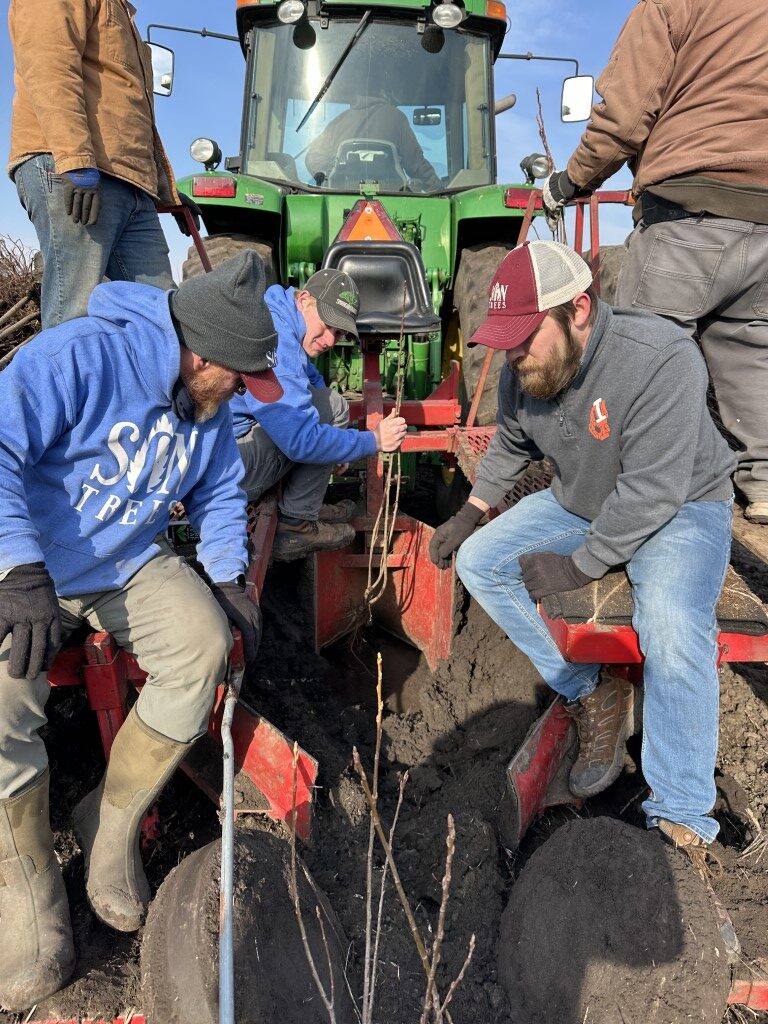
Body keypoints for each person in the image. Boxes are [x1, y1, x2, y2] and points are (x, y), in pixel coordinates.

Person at [0, 251, 280, 1010]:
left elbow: (221, 488)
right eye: (241, 378)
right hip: (36, 563)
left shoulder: (209, 407)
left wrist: (225, 579)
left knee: (199, 646)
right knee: (4, 697)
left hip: (124, 560)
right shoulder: (80, 359)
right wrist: (17, 567)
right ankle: (28, 897)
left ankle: (109, 824)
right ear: (202, 354)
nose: (243, 397)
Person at [430, 240, 735, 875]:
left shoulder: (660, 360)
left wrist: (581, 566)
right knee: (480, 561)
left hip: (680, 507)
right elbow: (512, 444)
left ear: (579, 311)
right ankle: (587, 691)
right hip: (581, 499)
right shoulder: (527, 370)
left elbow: (652, 490)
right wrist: (471, 512)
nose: (512, 354)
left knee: (674, 628)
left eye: (524, 336)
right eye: (503, 339)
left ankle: (681, 816)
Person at [541, 0, 768, 526]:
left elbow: (624, 115)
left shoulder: (673, 3)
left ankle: (611, 510)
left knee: (636, 365)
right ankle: (761, 486)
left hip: (688, 217)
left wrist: (571, 180)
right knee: (752, 360)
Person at [7, 0, 199, 329]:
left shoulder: (120, 10)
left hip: (128, 181)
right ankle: (64, 381)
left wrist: (169, 193)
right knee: (76, 315)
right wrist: (77, 161)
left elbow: (128, 108)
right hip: (74, 170)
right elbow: (49, 65)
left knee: (162, 318)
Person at [230, 268, 408, 561]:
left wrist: (336, 446)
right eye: (327, 326)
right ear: (304, 300)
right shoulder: (277, 341)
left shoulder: (280, 314)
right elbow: (301, 441)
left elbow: (312, 380)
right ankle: (295, 526)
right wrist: (372, 441)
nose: (329, 341)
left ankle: (303, 507)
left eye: (338, 333)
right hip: (231, 468)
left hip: (235, 445)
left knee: (332, 405)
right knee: (324, 417)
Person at [305, 95, 441, 191]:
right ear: (385, 92)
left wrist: (334, 176)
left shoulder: (338, 123)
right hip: (392, 203)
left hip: (340, 203)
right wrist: (439, 190)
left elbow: (313, 160)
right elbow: (416, 164)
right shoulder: (396, 118)